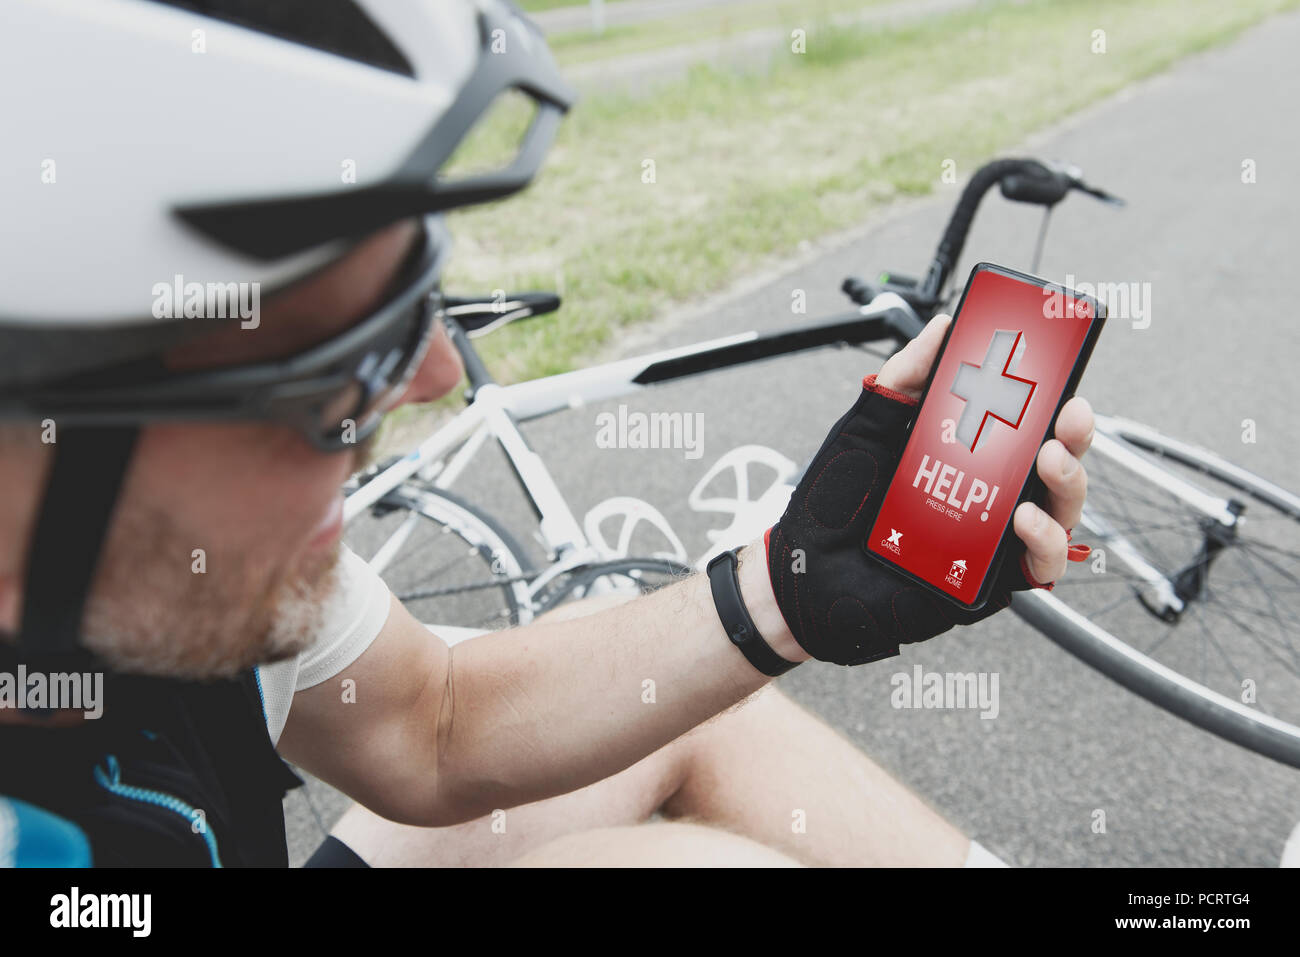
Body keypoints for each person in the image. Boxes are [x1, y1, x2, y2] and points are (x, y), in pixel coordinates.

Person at [0, 0, 1093, 867]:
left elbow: (426, 725)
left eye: (419, 293)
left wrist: (786, 591)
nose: (433, 377)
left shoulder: (169, 547)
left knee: (689, 701)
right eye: (344, 362)